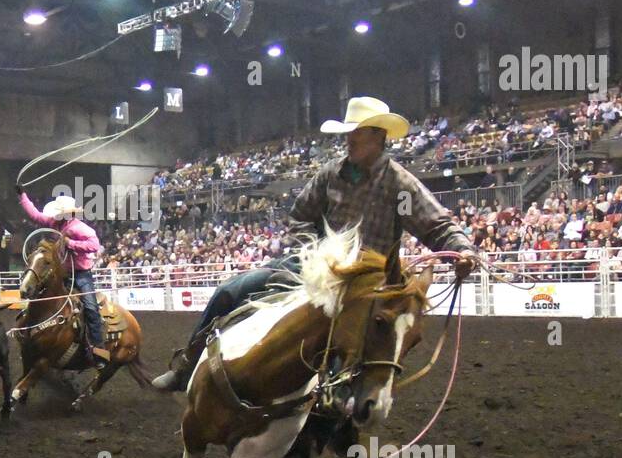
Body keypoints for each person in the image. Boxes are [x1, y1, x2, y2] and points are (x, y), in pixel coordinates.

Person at [152, 96, 479, 391]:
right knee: (233, 290)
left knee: (354, 352)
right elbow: (300, 215)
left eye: (358, 132)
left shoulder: (400, 184)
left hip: (366, 285)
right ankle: (188, 364)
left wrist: (463, 251)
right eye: (348, 132)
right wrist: (310, 251)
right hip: (319, 268)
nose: (349, 139)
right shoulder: (330, 174)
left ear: (379, 136)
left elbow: (438, 225)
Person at [17, 187, 111, 369]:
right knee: (40, 296)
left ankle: (98, 350)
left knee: (91, 308)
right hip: (63, 274)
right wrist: (22, 196)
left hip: (81, 275)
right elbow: (35, 215)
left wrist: (71, 244)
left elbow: (94, 245)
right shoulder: (55, 223)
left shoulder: (78, 227)